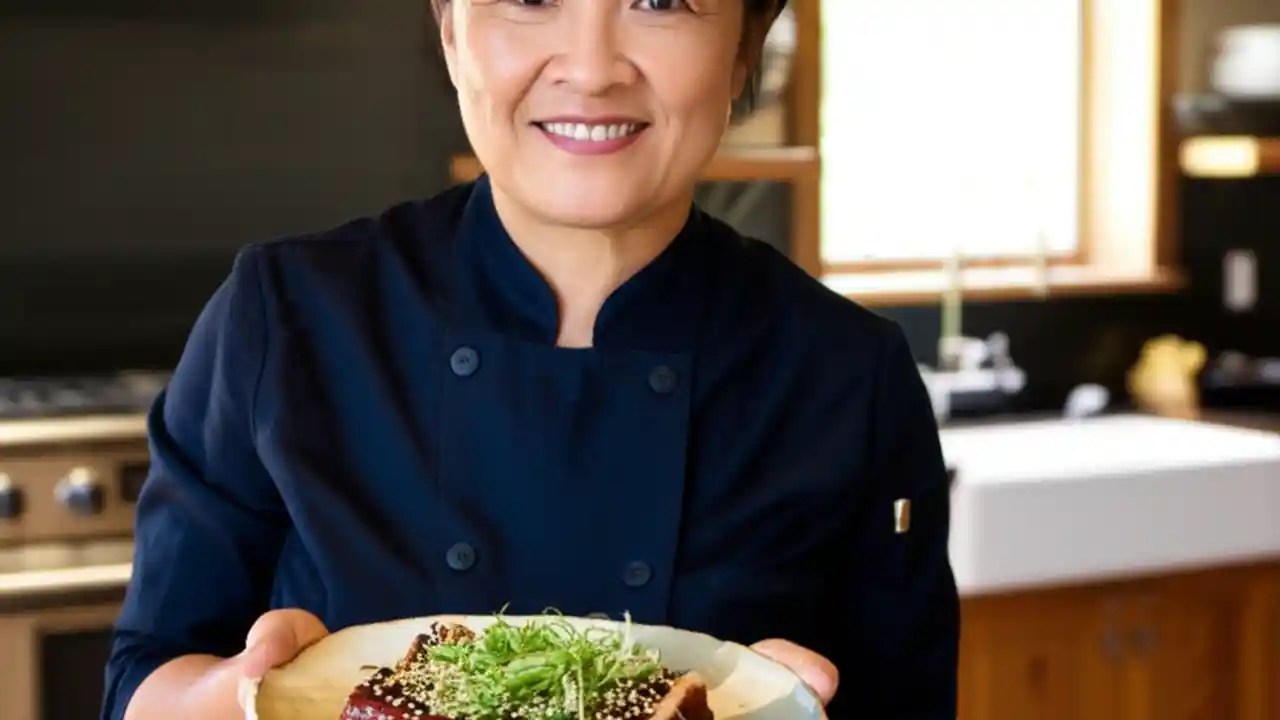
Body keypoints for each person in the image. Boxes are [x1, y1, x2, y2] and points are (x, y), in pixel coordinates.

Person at [102, 0, 960, 718]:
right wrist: (245, 694)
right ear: (449, 31)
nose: (591, 68)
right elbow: (145, 683)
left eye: (661, 0)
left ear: (742, 54)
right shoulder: (285, 316)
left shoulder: (851, 375)